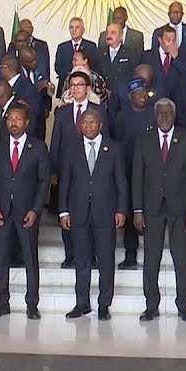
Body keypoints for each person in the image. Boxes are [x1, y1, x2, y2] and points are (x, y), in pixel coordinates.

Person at [132, 98, 186, 321]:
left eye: (168, 114)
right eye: (160, 114)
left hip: (181, 209)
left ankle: (183, 306)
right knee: (151, 260)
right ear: (155, 116)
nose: (164, 118)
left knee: (181, 259)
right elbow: (137, 177)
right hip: (152, 208)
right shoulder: (143, 140)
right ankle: (151, 305)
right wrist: (137, 210)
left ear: (174, 115)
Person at [58, 108, 126, 320]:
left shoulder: (114, 149)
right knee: (82, 260)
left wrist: (121, 210)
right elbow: (65, 183)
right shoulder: (71, 149)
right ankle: (82, 303)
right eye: (84, 122)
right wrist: (63, 211)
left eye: (92, 122)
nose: (88, 125)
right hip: (78, 213)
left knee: (106, 261)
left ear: (100, 125)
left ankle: (104, 305)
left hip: (105, 213)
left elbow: (121, 183)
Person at [0, 105, 49, 319]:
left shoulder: (38, 148)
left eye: (18, 119)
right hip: (2, 212)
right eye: (10, 119)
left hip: (26, 213)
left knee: (30, 258)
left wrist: (36, 210)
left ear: (26, 122)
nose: (13, 122)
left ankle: (32, 304)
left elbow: (43, 182)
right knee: (1, 257)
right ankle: (2, 302)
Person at [49, 71, 99, 268]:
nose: (76, 88)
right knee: (67, 212)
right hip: (68, 171)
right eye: (73, 85)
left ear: (88, 88)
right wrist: (54, 170)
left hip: (92, 169)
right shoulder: (62, 112)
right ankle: (71, 255)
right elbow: (56, 142)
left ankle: (92, 255)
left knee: (93, 213)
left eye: (80, 85)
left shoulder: (99, 110)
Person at [112, 78, 154, 270]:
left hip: (152, 172)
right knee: (130, 213)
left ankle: (153, 255)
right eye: (136, 93)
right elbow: (118, 144)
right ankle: (131, 255)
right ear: (130, 97)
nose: (141, 96)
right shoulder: (122, 116)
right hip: (128, 170)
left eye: (143, 92)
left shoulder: (155, 114)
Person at [141, 26, 186, 99]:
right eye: (168, 40)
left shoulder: (183, 55)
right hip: (154, 100)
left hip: (176, 102)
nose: (171, 43)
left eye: (174, 40)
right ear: (160, 40)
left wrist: (176, 58)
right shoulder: (147, 56)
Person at [54, 17, 96, 96]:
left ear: (83, 30)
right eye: (71, 27)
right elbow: (58, 67)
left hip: (85, 87)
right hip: (65, 87)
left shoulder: (91, 46)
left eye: (77, 27)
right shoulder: (62, 47)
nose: (74, 30)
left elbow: (94, 66)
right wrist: (71, 78)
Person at [95, 22, 139, 93]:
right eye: (107, 33)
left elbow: (133, 73)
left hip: (122, 93)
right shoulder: (99, 53)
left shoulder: (130, 53)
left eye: (113, 33)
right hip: (103, 93)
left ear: (121, 36)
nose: (109, 35)